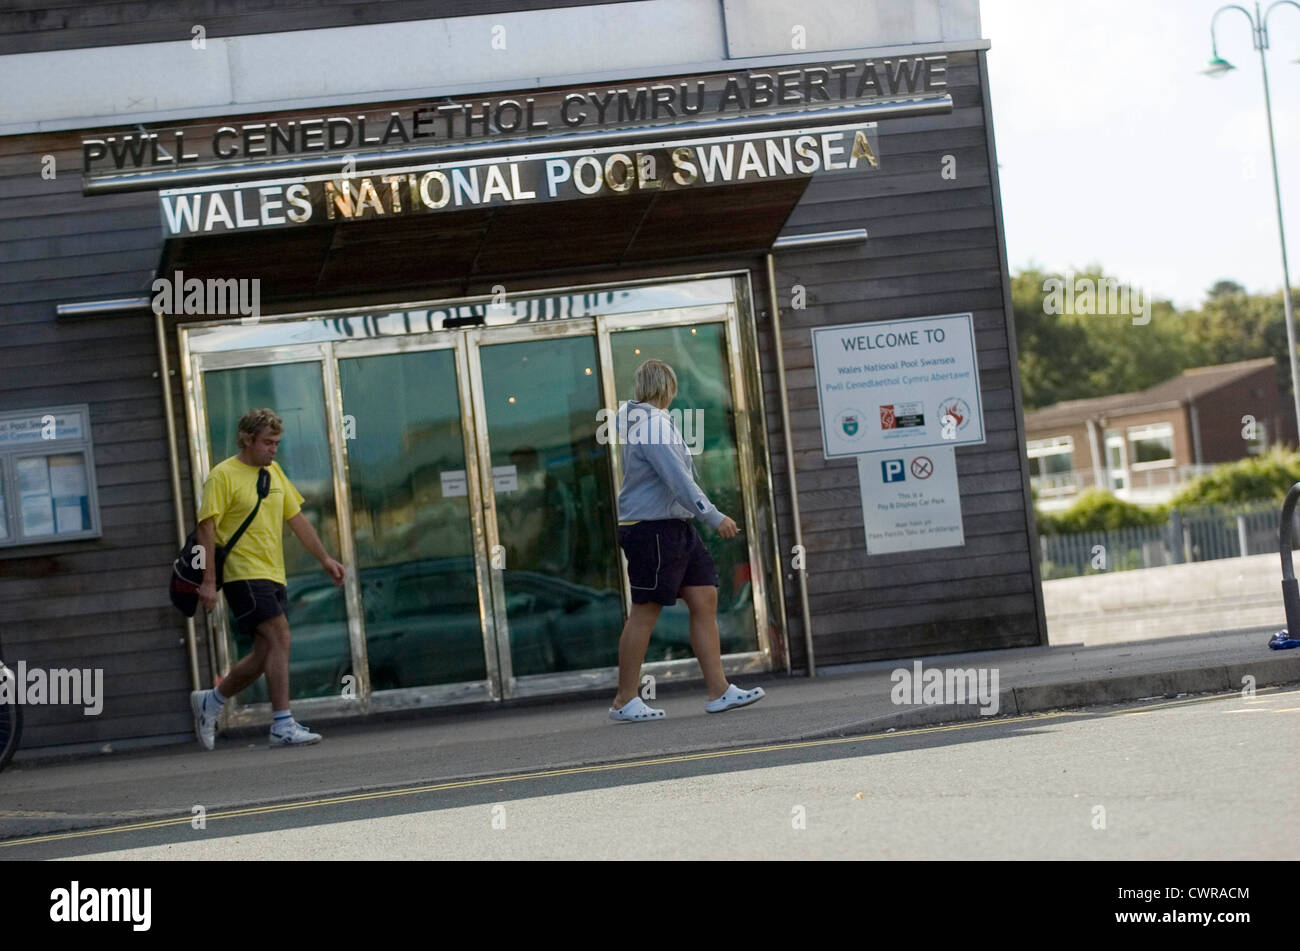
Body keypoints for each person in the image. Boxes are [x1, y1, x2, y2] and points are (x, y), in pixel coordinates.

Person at [608, 359, 766, 721]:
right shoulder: (651, 426)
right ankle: (624, 700)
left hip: (674, 526)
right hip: (652, 529)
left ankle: (719, 690)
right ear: (668, 387)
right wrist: (713, 515)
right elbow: (678, 480)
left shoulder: (653, 422)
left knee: (704, 596)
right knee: (645, 610)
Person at [189, 409, 346, 749]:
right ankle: (282, 724)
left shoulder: (274, 473)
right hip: (242, 574)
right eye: (268, 443)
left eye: (277, 443)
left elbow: (297, 519)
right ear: (247, 440)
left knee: (265, 653)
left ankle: (212, 700)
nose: (274, 449)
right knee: (281, 635)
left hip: (274, 573)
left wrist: (325, 559)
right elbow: (206, 529)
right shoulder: (222, 475)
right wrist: (208, 581)